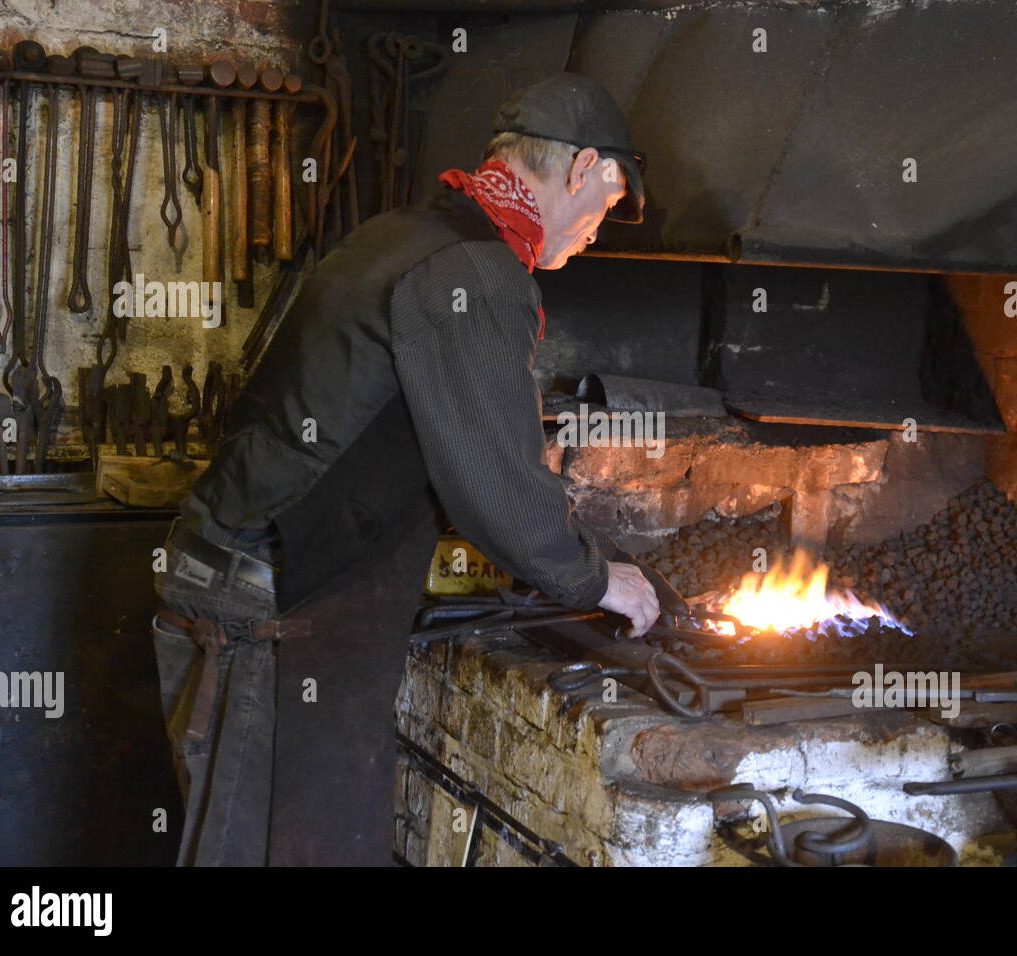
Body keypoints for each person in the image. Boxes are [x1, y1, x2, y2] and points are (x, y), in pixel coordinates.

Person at [150, 72, 680, 866]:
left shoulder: (401, 232)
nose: (598, 230)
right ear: (581, 171)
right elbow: (495, 489)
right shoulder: (476, 270)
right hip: (272, 598)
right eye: (604, 205)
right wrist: (599, 580)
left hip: (233, 567)